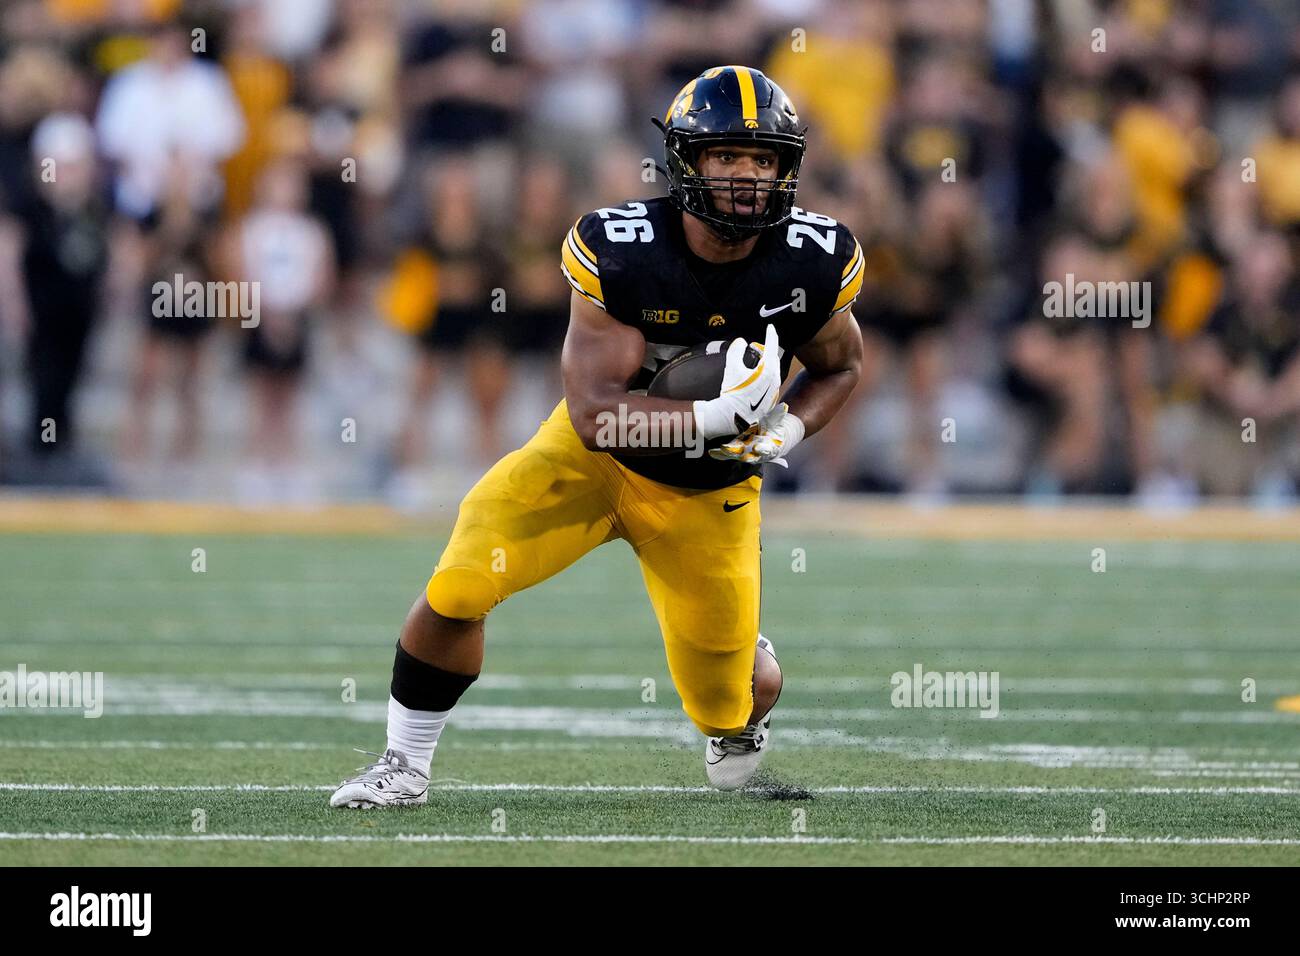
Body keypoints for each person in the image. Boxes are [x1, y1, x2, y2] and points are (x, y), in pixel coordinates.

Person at [330, 66, 863, 807]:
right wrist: (715, 416)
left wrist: (787, 430)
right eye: (727, 157)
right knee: (457, 587)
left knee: (734, 698)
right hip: (590, 461)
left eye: (763, 159)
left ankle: (744, 682)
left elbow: (842, 365)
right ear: (686, 162)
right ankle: (404, 764)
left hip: (707, 489)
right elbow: (594, 413)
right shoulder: (624, 248)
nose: (747, 176)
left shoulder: (813, 257)